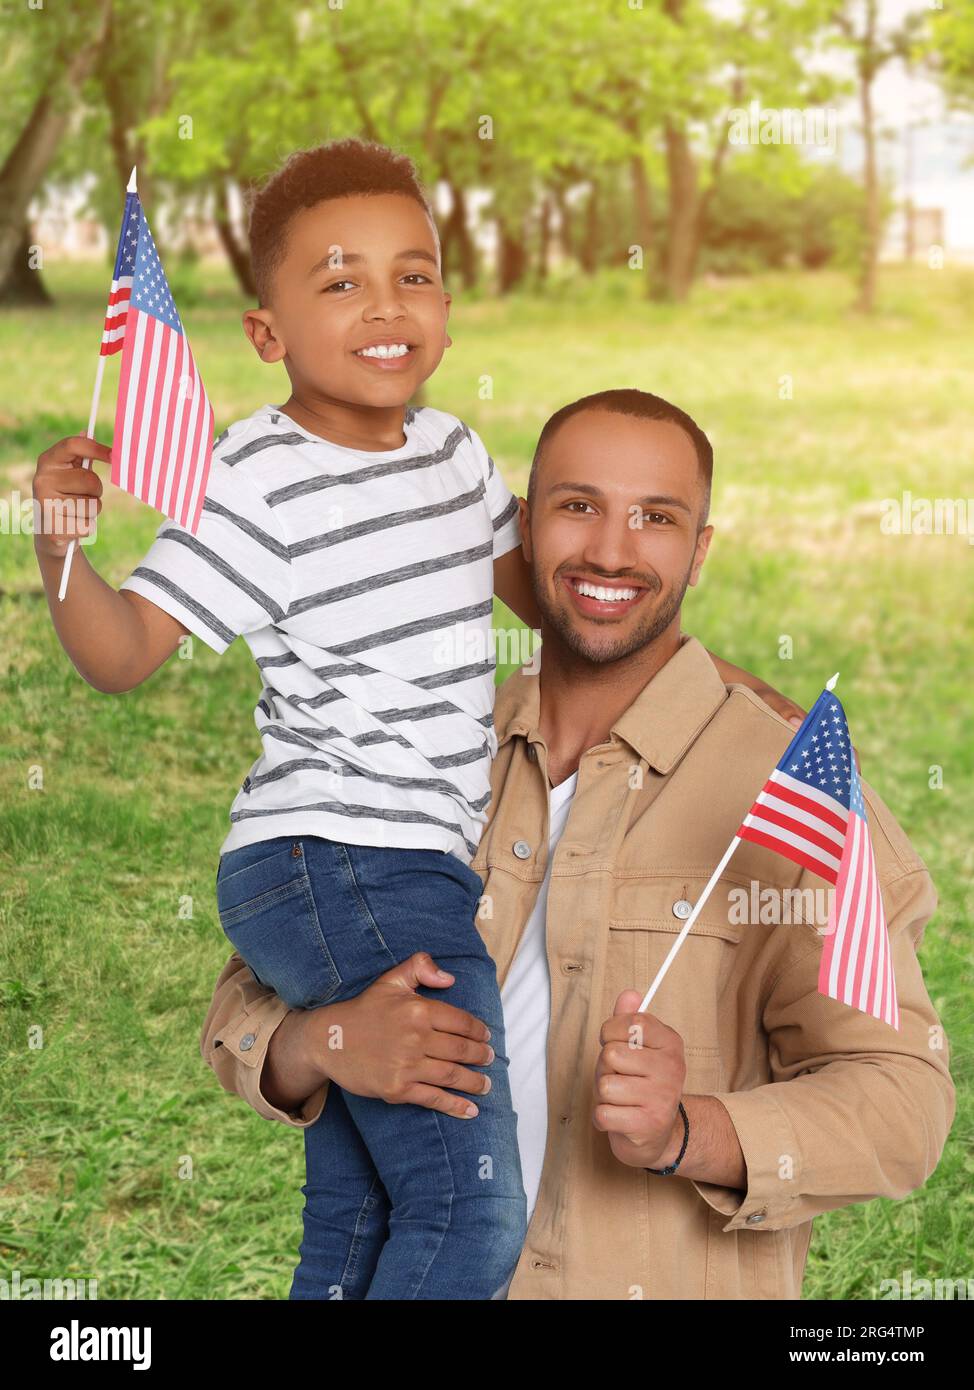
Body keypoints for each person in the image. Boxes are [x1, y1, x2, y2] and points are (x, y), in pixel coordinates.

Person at [30, 140, 798, 1301]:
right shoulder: (260, 476)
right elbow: (124, 652)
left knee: (362, 1205)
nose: (386, 306)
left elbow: (562, 608)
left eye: (415, 275)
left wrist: (725, 686)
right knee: (470, 1212)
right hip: (344, 857)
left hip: (404, 863)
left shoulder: (447, 455)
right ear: (268, 334)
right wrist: (59, 548)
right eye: (340, 282)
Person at [200, 387, 956, 1300]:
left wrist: (691, 1130)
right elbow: (244, 1008)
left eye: (656, 518)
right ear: (523, 528)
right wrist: (325, 1044)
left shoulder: (796, 790)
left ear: (701, 549)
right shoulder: (425, 746)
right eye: (578, 506)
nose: (610, 549)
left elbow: (903, 1104)